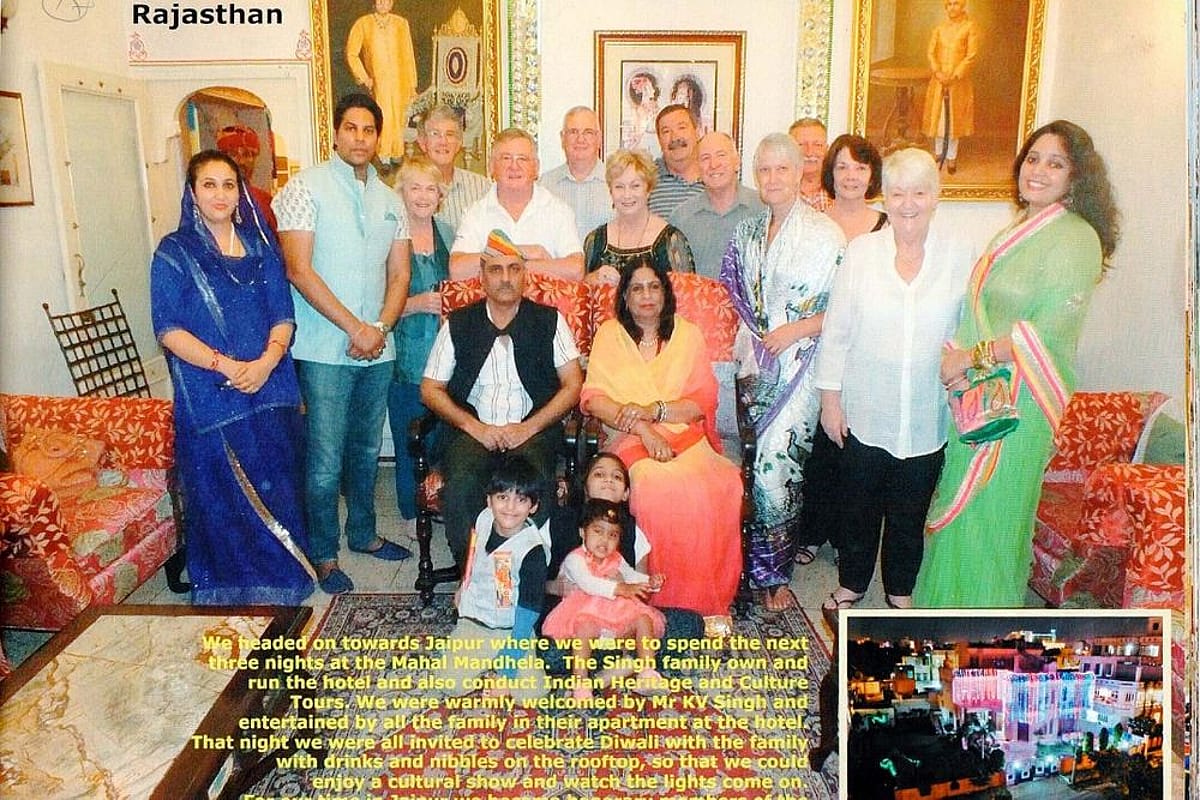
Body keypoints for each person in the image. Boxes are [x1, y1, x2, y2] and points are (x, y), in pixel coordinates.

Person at [913, 120, 1119, 607]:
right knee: (963, 514)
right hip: (979, 397)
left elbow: (1044, 333)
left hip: (1022, 406)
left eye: (1056, 163)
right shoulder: (1018, 231)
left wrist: (971, 356)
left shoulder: (1076, 239)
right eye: (1033, 158)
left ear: (1076, 177)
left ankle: (981, 630)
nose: (1039, 170)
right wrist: (958, 362)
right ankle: (941, 619)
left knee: (996, 517)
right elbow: (982, 308)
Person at [813, 148, 975, 616]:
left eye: (919, 193)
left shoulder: (959, 255)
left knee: (910, 511)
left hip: (928, 412)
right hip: (867, 407)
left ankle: (900, 589)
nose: (908, 204)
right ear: (886, 196)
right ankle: (851, 584)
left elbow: (971, 329)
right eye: (899, 193)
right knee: (858, 506)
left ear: (936, 197)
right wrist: (830, 402)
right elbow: (837, 332)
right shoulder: (863, 252)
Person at [150, 149, 315, 605]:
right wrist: (226, 366)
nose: (220, 194)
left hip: (270, 386)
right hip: (211, 395)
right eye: (209, 184)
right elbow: (168, 328)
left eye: (228, 184)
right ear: (192, 192)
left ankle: (282, 582)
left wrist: (265, 362)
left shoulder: (261, 246)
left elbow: (284, 313)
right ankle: (227, 587)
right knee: (221, 497)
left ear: (240, 192)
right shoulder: (174, 252)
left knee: (277, 484)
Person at [273, 93, 412, 595]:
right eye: (350, 128)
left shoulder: (390, 197)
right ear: (335, 133)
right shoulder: (302, 189)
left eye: (368, 130)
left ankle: (365, 534)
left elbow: (400, 273)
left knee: (366, 449)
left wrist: (380, 327)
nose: (359, 138)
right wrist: (356, 328)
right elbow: (298, 269)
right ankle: (325, 553)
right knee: (326, 455)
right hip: (323, 349)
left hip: (379, 347)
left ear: (378, 136)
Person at [720, 133, 845, 612]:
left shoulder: (824, 234)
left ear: (799, 173)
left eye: (781, 169)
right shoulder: (748, 231)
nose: (772, 179)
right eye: (764, 170)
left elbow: (842, 308)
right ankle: (747, 564)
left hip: (801, 363)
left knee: (778, 467)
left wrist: (794, 330)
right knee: (753, 466)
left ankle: (774, 574)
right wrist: (762, 336)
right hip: (752, 360)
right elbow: (736, 289)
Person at [581, 256, 742, 624]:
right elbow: (594, 398)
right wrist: (643, 430)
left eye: (653, 287)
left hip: (685, 436)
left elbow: (701, 402)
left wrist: (655, 411)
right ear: (624, 297)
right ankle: (655, 598)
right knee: (653, 486)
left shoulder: (688, 336)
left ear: (666, 294)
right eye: (636, 288)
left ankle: (707, 601)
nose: (646, 295)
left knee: (718, 484)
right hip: (627, 439)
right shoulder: (610, 335)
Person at [421, 229, 583, 572]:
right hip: (472, 431)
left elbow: (572, 384)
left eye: (514, 269)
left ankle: (530, 577)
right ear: (482, 276)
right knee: (462, 484)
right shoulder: (459, 322)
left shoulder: (549, 321)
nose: (506, 278)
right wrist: (473, 427)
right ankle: (476, 575)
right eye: (496, 270)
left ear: (525, 274)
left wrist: (529, 428)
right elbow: (430, 388)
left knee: (536, 481)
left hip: (532, 430)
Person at [436, 457, 551, 700]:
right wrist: (462, 587)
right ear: (489, 500)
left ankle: (501, 668)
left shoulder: (532, 551)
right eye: (502, 497)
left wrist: (507, 672)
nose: (510, 507)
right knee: (449, 684)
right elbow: (473, 555)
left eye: (521, 500)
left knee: (533, 694)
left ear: (533, 506)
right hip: (475, 621)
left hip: (512, 627)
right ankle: (485, 664)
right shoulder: (484, 518)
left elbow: (528, 612)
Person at [542, 499, 668, 699]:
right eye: (598, 532)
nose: (605, 540)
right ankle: (581, 683)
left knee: (644, 619)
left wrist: (651, 582)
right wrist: (621, 588)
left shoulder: (616, 558)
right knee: (584, 628)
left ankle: (646, 672)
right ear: (583, 532)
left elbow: (631, 576)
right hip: (585, 615)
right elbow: (588, 583)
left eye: (613, 535)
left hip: (617, 618)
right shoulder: (575, 559)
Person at [387, 156, 451, 520]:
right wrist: (415, 303)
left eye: (431, 188)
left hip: (444, 355)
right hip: (406, 353)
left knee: (441, 436)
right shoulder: (392, 237)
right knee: (409, 436)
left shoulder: (449, 232)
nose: (423, 196)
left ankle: (438, 506)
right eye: (415, 188)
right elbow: (377, 300)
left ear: (440, 195)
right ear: (402, 193)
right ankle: (412, 514)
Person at [450, 128, 584, 281]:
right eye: (506, 158)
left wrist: (508, 262)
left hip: (544, 304)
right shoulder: (476, 213)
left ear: (536, 167)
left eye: (522, 159)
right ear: (492, 166)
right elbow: (457, 269)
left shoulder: (559, 211)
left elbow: (576, 270)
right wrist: (526, 253)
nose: (514, 166)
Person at [583, 148, 695, 286]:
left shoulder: (671, 241)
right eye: (619, 186)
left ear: (648, 190)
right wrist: (592, 279)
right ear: (610, 191)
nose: (627, 194)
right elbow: (583, 298)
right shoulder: (595, 241)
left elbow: (687, 299)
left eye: (635, 186)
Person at [669, 131, 764, 279]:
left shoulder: (763, 209)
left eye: (721, 155)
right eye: (705, 158)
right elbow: (676, 282)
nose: (713, 165)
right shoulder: (680, 219)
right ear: (697, 168)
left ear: (737, 161)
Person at [345, 0, 417, 162]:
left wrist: (412, 84)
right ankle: (383, 154)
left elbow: (408, 55)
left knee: (398, 115)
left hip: (400, 80)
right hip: (379, 80)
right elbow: (352, 54)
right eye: (380, 0)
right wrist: (364, 77)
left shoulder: (401, 23)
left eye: (387, 0)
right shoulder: (363, 23)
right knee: (382, 113)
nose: (383, 3)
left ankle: (397, 152)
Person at [922, 0, 980, 174]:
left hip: (958, 81)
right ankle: (939, 152)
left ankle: (952, 157)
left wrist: (954, 75)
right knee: (939, 119)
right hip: (939, 80)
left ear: (963, 6)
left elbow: (972, 55)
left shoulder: (970, 27)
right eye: (949, 4)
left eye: (956, 3)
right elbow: (931, 52)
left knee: (954, 119)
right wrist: (938, 72)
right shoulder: (939, 29)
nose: (952, 7)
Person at [415, 104, 491, 237]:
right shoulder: (407, 189)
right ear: (422, 142)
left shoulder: (481, 188)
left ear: (459, 143)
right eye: (435, 134)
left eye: (450, 134)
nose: (443, 141)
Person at [540, 106, 613, 240]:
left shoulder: (617, 184)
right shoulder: (545, 185)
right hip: (557, 261)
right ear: (562, 138)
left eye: (588, 132)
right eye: (573, 132)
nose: (580, 139)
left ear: (599, 138)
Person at [822, 134, 888, 241]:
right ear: (830, 173)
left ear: (872, 177)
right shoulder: (812, 225)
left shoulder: (888, 228)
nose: (851, 176)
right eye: (842, 167)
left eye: (861, 168)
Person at [646, 104, 705, 218]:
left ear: (697, 132)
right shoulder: (646, 178)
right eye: (666, 131)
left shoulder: (714, 175)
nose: (675, 137)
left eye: (681, 128)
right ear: (659, 140)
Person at [215, 124, 277, 232]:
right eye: (233, 154)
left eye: (247, 154)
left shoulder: (265, 201)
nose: (241, 161)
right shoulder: (211, 198)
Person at [788, 118, 831, 212]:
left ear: (827, 150)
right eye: (801, 145)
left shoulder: (840, 194)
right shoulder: (779, 194)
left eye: (817, 145)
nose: (809, 152)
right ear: (790, 151)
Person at [621, 70, 661, 152]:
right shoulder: (636, 112)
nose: (646, 89)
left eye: (648, 86)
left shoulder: (659, 110)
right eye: (644, 88)